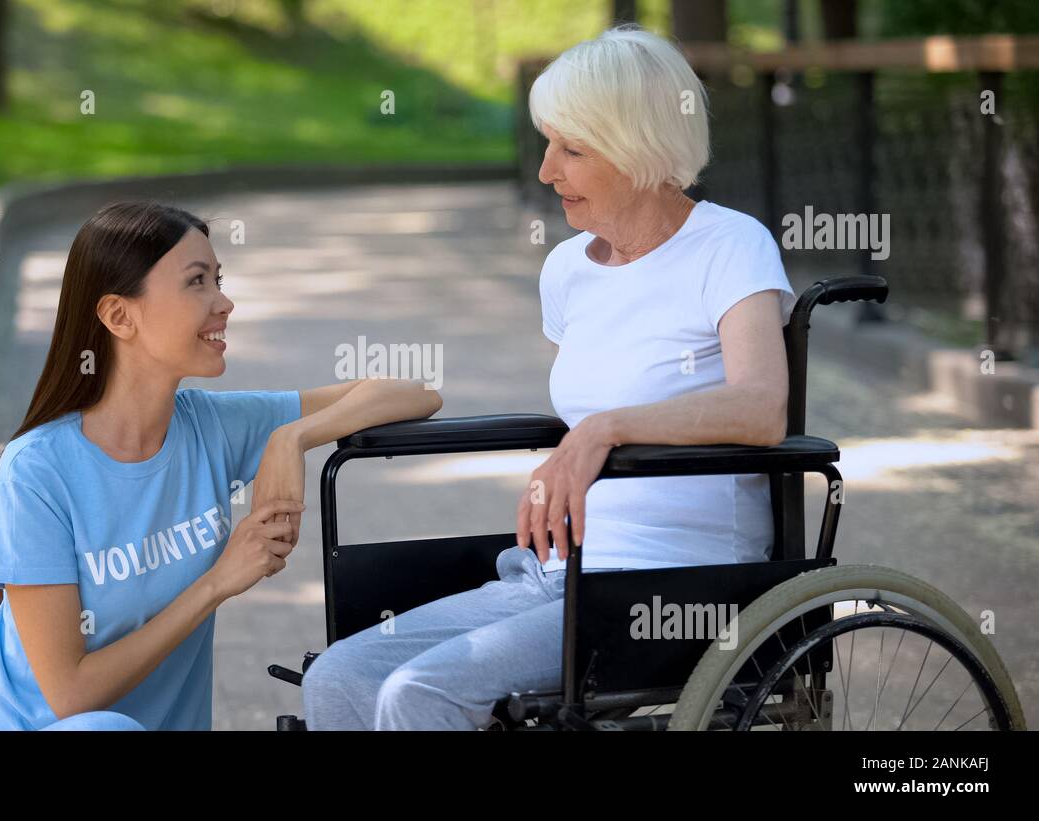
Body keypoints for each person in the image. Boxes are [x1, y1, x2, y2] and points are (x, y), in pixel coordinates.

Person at [301, 24, 797, 730]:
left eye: (572, 149)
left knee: (419, 693)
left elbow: (760, 409)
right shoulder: (568, 269)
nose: (545, 170)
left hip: (672, 588)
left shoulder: (729, 245)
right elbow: (575, 421)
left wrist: (606, 428)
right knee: (340, 676)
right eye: (547, 143)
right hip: (556, 575)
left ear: (638, 150)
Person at [0, 201, 442, 730]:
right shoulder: (37, 473)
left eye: (218, 279)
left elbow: (415, 393)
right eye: (197, 282)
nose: (224, 301)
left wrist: (292, 437)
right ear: (119, 315)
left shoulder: (208, 427)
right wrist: (218, 581)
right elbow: (71, 698)